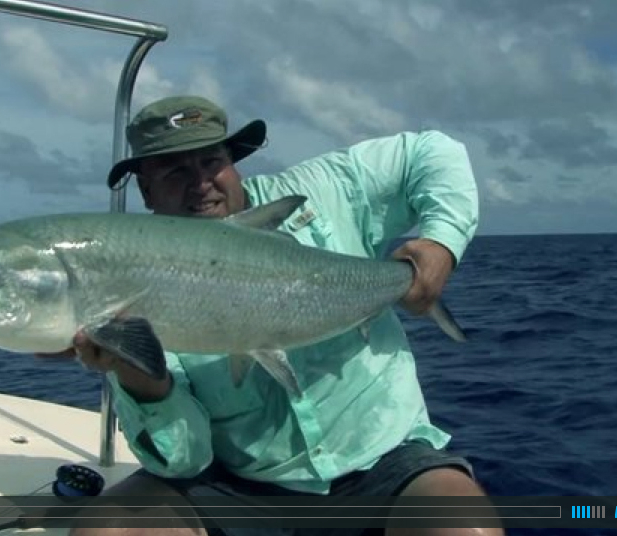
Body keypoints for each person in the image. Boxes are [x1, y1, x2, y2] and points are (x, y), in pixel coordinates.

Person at [36, 96, 501, 536]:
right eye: (175, 170)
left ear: (233, 163)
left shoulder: (325, 190)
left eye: (211, 162)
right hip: (240, 480)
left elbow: (433, 152)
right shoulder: (127, 278)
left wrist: (440, 245)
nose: (200, 184)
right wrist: (139, 375)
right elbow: (185, 459)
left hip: (384, 460)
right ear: (146, 189)